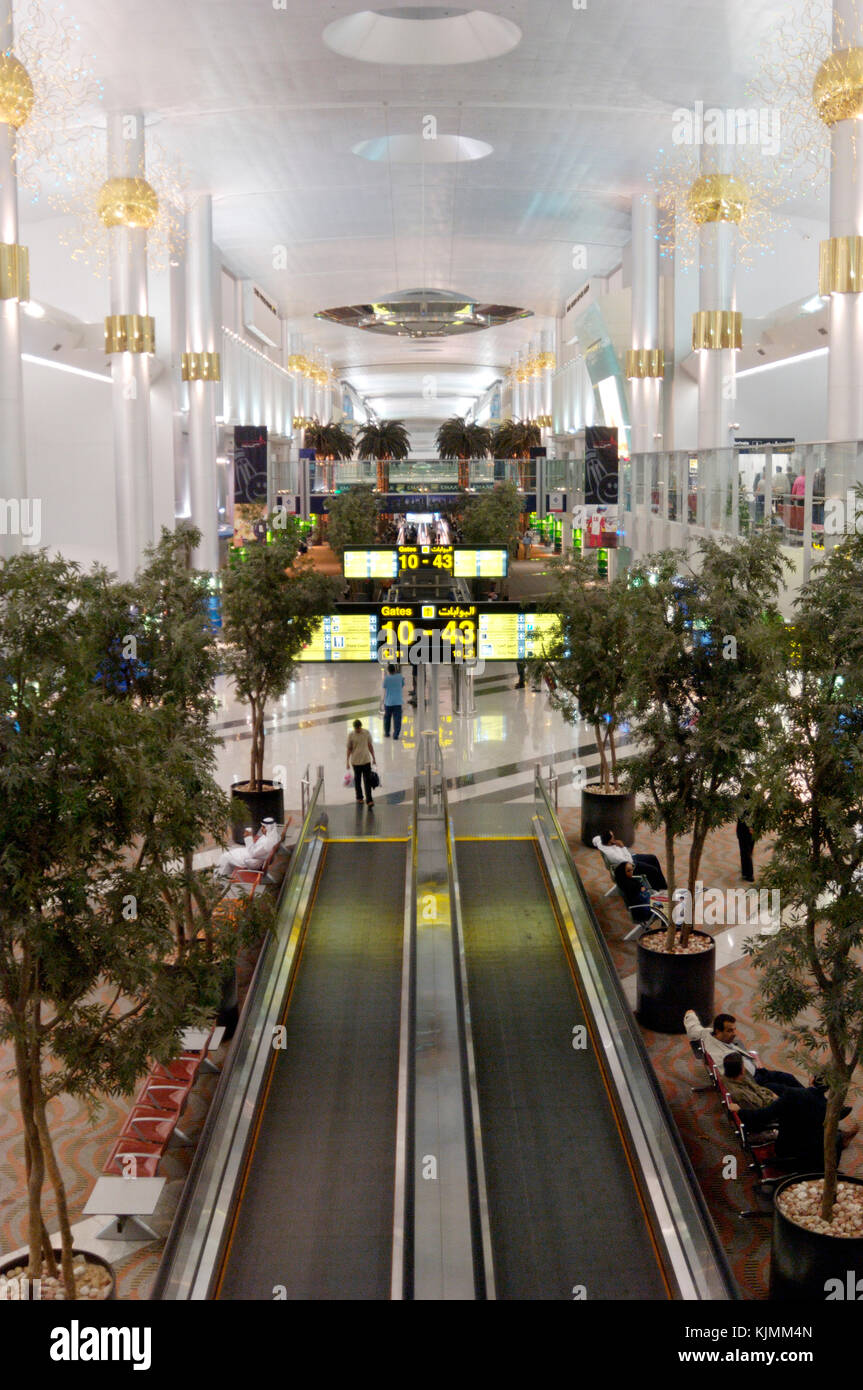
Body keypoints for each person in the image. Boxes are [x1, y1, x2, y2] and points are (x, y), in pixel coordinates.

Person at [728, 1079, 858, 1169]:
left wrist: (740, 1111)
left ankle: (842, 1137)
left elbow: (763, 1116)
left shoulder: (792, 1094)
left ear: (811, 1079)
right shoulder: (826, 1107)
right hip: (814, 1155)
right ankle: (841, 1137)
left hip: (788, 1150)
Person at [684, 1010, 803, 1091]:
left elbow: (692, 1028)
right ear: (719, 1031)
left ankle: (812, 1098)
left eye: (734, 1030)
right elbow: (730, 1079)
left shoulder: (706, 1033)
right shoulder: (720, 1057)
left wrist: (690, 1014)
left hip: (759, 1072)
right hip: (754, 1083)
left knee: (788, 1078)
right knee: (787, 1091)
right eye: (730, 1031)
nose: (734, 1034)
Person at [593, 830, 667, 892]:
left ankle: (663, 886)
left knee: (652, 858)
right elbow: (629, 861)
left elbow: (595, 839)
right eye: (613, 837)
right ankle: (656, 889)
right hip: (630, 866)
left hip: (630, 858)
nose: (614, 838)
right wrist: (622, 847)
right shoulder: (612, 855)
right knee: (653, 870)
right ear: (609, 841)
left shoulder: (601, 842)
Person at [216, 817, 280, 877]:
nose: (261, 829)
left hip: (252, 860)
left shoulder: (267, 843)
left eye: (263, 827)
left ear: (269, 828)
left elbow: (252, 854)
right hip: (255, 857)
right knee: (230, 854)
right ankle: (226, 876)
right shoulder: (273, 836)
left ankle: (219, 879)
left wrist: (248, 837)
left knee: (224, 857)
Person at [347, 718, 376, 807]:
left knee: (367, 781)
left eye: (359, 728)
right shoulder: (351, 735)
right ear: (354, 727)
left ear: (361, 726)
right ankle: (359, 797)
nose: (358, 730)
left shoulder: (366, 733)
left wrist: (374, 758)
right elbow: (349, 748)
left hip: (366, 760)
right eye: (356, 728)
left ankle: (369, 800)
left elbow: (370, 745)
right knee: (357, 780)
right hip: (355, 762)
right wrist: (347, 761)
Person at [382, 663, 405, 739]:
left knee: (387, 718)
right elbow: (402, 685)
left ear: (388, 670)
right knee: (397, 719)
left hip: (388, 702)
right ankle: (396, 735)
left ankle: (387, 733)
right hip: (398, 702)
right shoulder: (400, 677)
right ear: (395, 670)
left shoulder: (386, 678)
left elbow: (384, 687)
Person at [736, 816, 756, 882]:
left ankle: (749, 874)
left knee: (745, 851)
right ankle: (745, 871)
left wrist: (750, 826)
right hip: (753, 825)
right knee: (748, 849)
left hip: (745, 827)